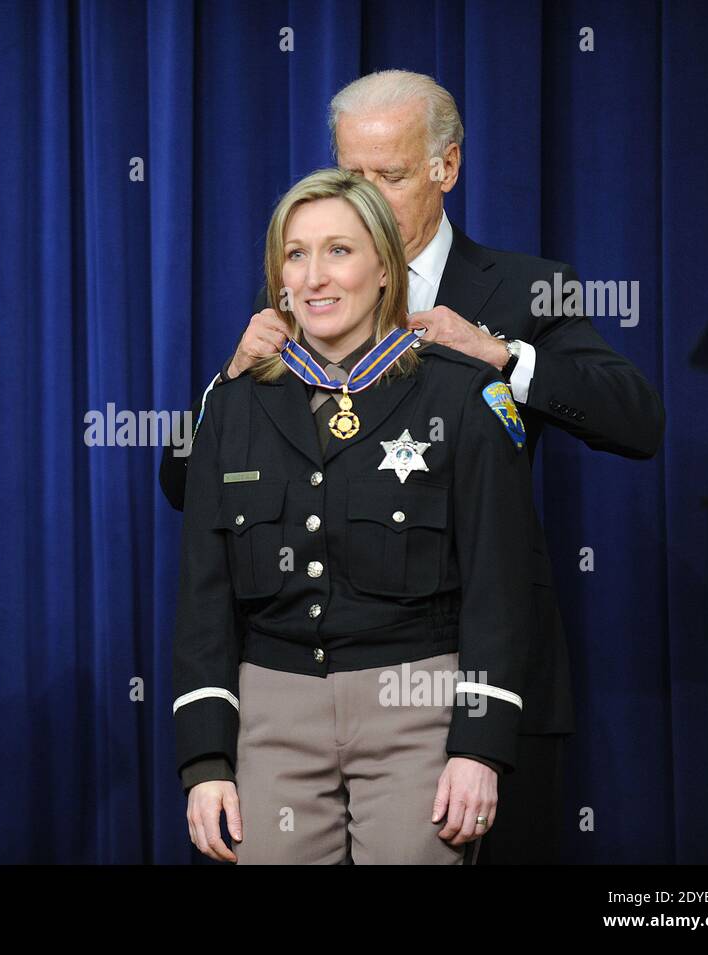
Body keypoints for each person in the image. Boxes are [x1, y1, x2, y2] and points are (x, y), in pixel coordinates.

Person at [162, 70, 665, 864]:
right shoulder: (312, 282)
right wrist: (228, 378)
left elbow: (637, 420)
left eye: (387, 176)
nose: (361, 199)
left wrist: (501, 355)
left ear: (446, 168)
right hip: (301, 678)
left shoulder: (530, 288)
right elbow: (194, 497)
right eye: (349, 173)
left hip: (471, 673)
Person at [173, 166, 534, 864]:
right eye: (296, 253)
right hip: (272, 717)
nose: (315, 276)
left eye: (339, 250)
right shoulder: (235, 402)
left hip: (417, 708)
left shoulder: (462, 397)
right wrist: (206, 760)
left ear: (383, 268)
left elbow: (500, 586)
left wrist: (480, 746)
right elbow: (202, 595)